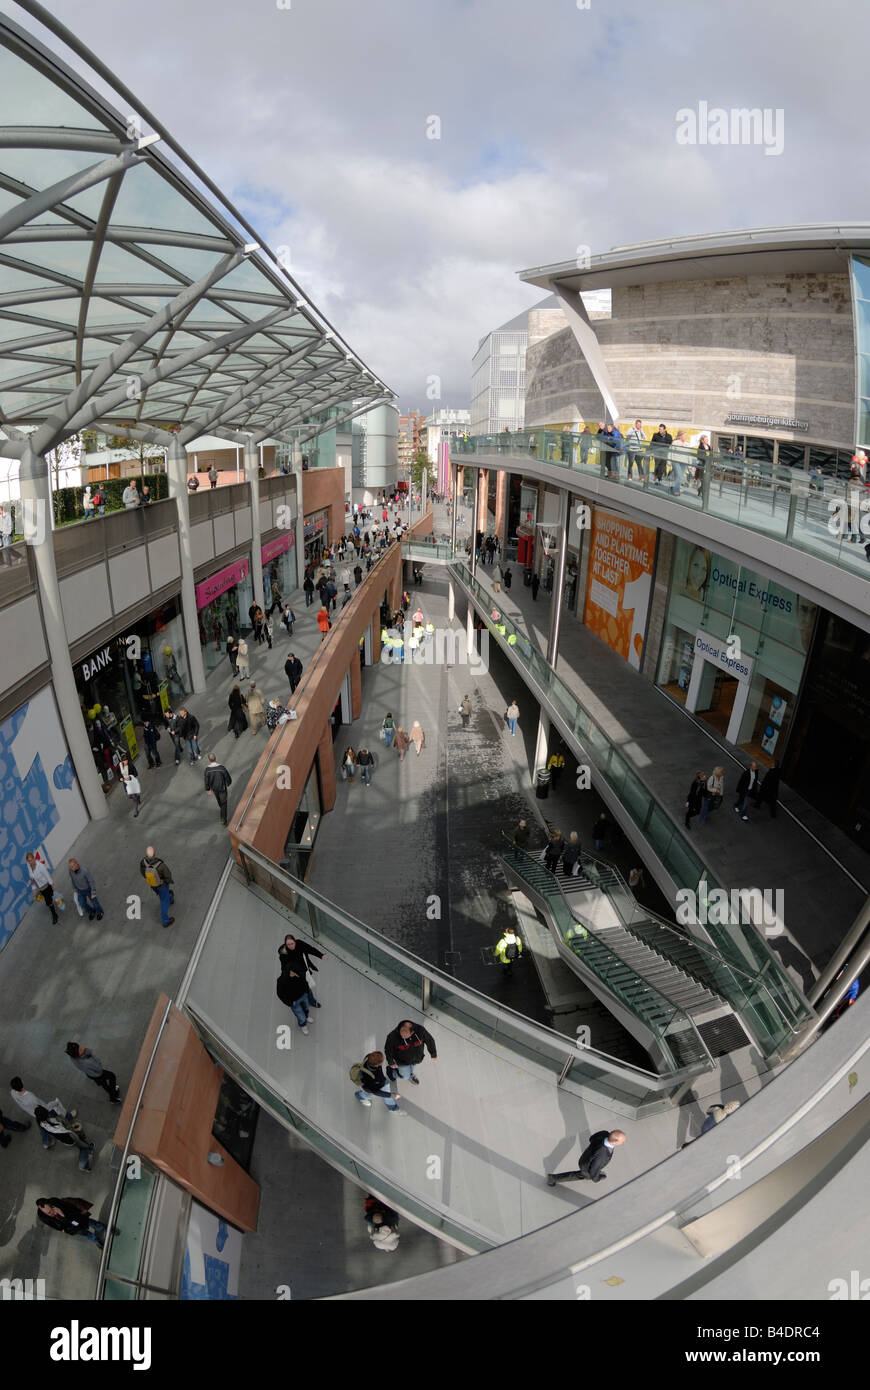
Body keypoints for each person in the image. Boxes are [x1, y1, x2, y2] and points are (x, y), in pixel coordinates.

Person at [547, 1130, 627, 1186]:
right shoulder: (602, 1155)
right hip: (586, 1167)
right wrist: (596, 1179)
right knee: (580, 1175)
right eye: (622, 1141)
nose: (623, 1143)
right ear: (615, 1141)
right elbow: (593, 1170)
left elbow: (592, 1138)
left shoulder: (604, 1133)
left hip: (586, 1158)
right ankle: (553, 1178)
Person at [9, 1078, 64, 1150]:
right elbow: (44, 1107)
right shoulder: (31, 1097)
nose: (22, 1079)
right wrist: (54, 1103)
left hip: (32, 1112)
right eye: (21, 1080)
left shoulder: (13, 1092)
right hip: (40, 1112)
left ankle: (46, 1142)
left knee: (41, 1125)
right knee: (50, 1119)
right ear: (22, 1083)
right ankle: (65, 1122)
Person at [36, 1198, 107, 1248]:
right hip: (71, 1225)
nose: (52, 1214)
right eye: (48, 1213)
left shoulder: (55, 1202)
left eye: (50, 1211)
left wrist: (62, 1213)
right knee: (84, 1233)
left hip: (76, 1217)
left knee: (90, 1222)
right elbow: (56, 1225)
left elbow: (70, 1207)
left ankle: (103, 1228)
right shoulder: (45, 1217)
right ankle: (97, 1241)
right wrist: (63, 1225)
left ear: (50, 1205)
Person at [384, 1019, 437, 1086]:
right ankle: (392, 1073)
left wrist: (433, 1054)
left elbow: (430, 1040)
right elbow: (388, 1050)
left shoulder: (420, 1030)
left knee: (411, 1069)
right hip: (402, 1061)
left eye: (405, 1036)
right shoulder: (392, 1036)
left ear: (412, 1033)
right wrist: (391, 1062)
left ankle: (410, 1074)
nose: (402, 1037)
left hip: (416, 1059)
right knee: (405, 1076)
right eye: (401, 1033)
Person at [278, 934, 325, 1008]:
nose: (290, 946)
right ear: (285, 944)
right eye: (288, 944)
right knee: (303, 989)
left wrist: (321, 955)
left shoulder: (300, 944)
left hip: (304, 970)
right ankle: (306, 1002)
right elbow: (284, 967)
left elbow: (310, 949)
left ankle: (311, 1001)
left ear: (295, 941)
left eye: (292, 943)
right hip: (295, 974)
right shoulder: (284, 954)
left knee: (307, 988)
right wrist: (289, 973)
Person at [140, 846, 174, 927]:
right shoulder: (160, 865)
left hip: (152, 884)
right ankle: (165, 920)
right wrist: (169, 881)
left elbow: (143, 873)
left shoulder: (143, 863)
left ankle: (170, 897)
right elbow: (168, 875)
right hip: (162, 885)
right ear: (154, 854)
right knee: (163, 901)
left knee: (163, 895)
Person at [276, 965, 312, 1034]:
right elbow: (280, 994)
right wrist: (290, 1003)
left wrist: (306, 991)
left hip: (303, 995)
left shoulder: (298, 974)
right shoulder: (281, 981)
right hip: (294, 1001)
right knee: (300, 1015)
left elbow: (305, 982)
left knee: (306, 1008)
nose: (294, 974)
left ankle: (307, 1017)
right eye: (293, 972)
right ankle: (303, 1025)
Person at [27, 850, 58, 924]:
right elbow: (32, 878)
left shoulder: (40, 866)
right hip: (40, 888)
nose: (30, 862)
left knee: (49, 902)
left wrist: (52, 885)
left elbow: (47, 875)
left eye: (31, 860)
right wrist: (34, 889)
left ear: (34, 858)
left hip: (46, 886)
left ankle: (55, 915)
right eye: (29, 861)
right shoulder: (29, 867)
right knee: (49, 900)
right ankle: (52, 901)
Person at [204, 754, 232, 826]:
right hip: (222, 788)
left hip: (215, 789)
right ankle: (223, 819)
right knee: (224, 803)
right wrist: (229, 782)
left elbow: (206, 780)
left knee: (220, 801)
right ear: (215, 758)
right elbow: (227, 776)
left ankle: (222, 810)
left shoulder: (207, 770)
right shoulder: (221, 768)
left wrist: (208, 789)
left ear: (209, 760)